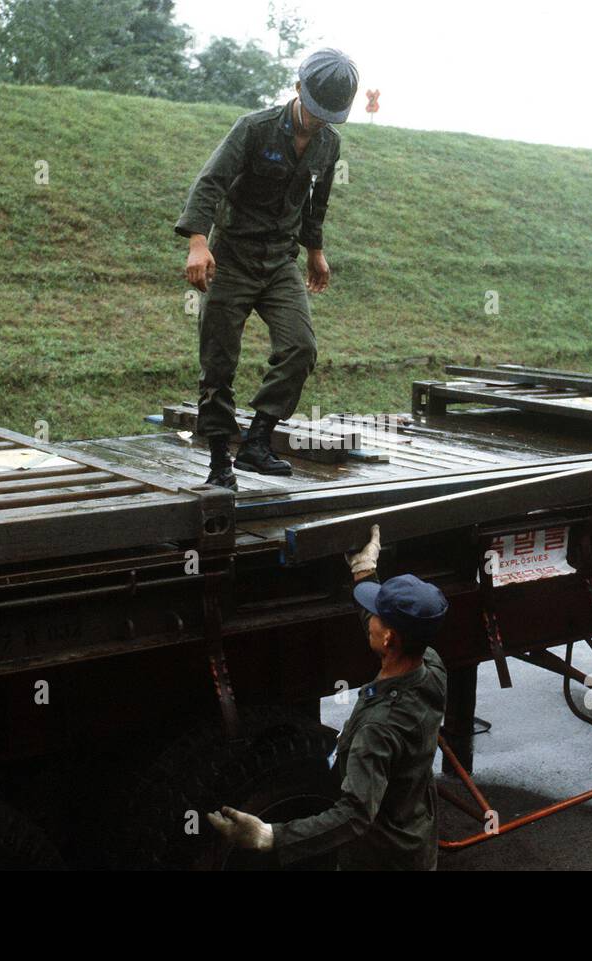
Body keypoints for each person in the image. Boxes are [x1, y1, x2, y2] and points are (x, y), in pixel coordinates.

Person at [207, 525, 449, 869]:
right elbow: (382, 626)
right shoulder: (431, 667)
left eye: (376, 617)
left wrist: (270, 836)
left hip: (380, 861)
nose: (370, 621)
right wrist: (364, 571)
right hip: (414, 840)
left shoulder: (378, 730)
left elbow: (354, 816)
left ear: (389, 639)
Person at [175, 48, 359, 490]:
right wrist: (198, 242)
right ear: (298, 90)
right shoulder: (253, 129)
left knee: (300, 348)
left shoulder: (328, 143)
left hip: (280, 261)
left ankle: (257, 442)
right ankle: (220, 464)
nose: (318, 122)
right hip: (233, 256)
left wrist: (315, 251)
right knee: (218, 362)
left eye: (327, 115)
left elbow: (317, 204)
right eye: (314, 111)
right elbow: (210, 182)